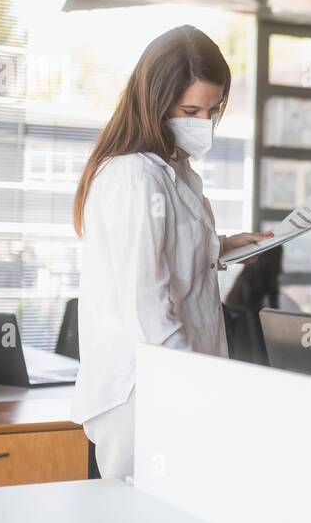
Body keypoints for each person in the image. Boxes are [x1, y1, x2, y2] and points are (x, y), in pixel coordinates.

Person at [70, 25, 272, 480]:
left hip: (174, 381)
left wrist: (223, 246)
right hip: (146, 391)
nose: (202, 122)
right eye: (189, 110)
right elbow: (147, 305)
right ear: (155, 101)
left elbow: (163, 254)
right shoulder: (134, 177)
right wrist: (193, 389)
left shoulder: (171, 170)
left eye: (212, 110)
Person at [222, 246, 300, 364]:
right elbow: (307, 336)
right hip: (276, 366)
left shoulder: (234, 298)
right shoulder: (279, 302)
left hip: (244, 366)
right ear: (275, 264)